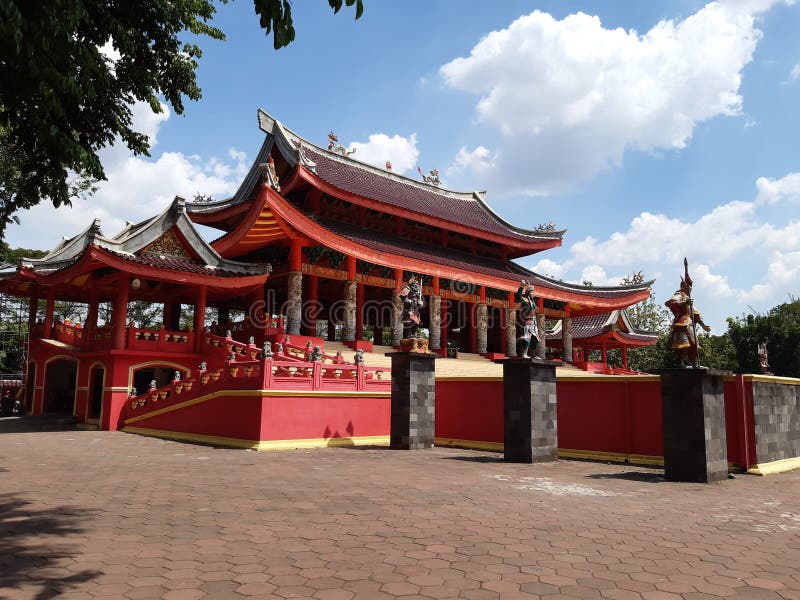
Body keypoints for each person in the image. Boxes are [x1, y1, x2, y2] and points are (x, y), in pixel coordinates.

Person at [665, 270, 710, 367]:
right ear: (683, 286)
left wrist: (703, 325)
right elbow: (672, 303)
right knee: (682, 344)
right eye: (688, 286)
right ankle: (679, 363)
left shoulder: (688, 298)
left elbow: (695, 313)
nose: (690, 288)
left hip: (690, 324)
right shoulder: (679, 294)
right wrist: (685, 303)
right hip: (682, 323)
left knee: (694, 345)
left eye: (691, 287)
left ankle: (695, 364)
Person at [515, 280, 539, 358]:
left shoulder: (533, 302)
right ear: (528, 293)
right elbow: (518, 296)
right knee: (526, 337)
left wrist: (529, 285)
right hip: (527, 320)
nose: (533, 294)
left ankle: (534, 354)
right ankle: (524, 353)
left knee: (535, 338)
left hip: (533, 321)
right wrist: (522, 286)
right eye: (531, 292)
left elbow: (534, 308)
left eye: (533, 292)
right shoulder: (524, 300)